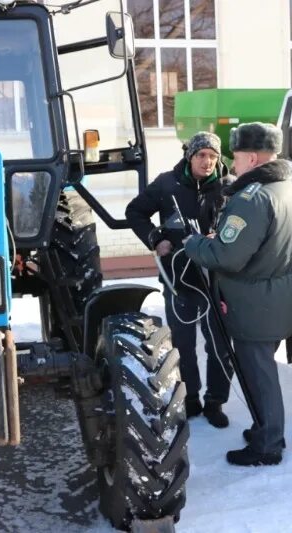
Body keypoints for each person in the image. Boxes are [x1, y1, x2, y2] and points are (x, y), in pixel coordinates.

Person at [183, 122, 292, 466]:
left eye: (236, 157)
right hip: (279, 293)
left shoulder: (252, 199)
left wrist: (193, 242)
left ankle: (268, 445)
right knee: (262, 369)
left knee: (259, 374)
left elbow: (227, 257)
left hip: (254, 303)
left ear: (252, 158)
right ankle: (263, 428)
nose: (232, 164)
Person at [125, 132, 235, 427]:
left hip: (217, 282)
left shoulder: (229, 187)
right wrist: (156, 238)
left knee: (220, 345)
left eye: (213, 156)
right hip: (178, 279)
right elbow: (134, 212)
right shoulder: (166, 183)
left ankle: (215, 401)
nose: (208, 161)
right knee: (183, 345)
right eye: (202, 155)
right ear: (190, 156)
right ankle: (189, 398)